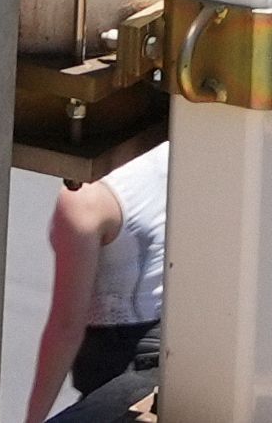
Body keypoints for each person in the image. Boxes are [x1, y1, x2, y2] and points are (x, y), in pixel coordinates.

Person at [28, 143, 172, 414]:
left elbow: (66, 327)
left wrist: (33, 417)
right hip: (173, 352)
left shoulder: (84, 199)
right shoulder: (170, 149)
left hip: (118, 366)